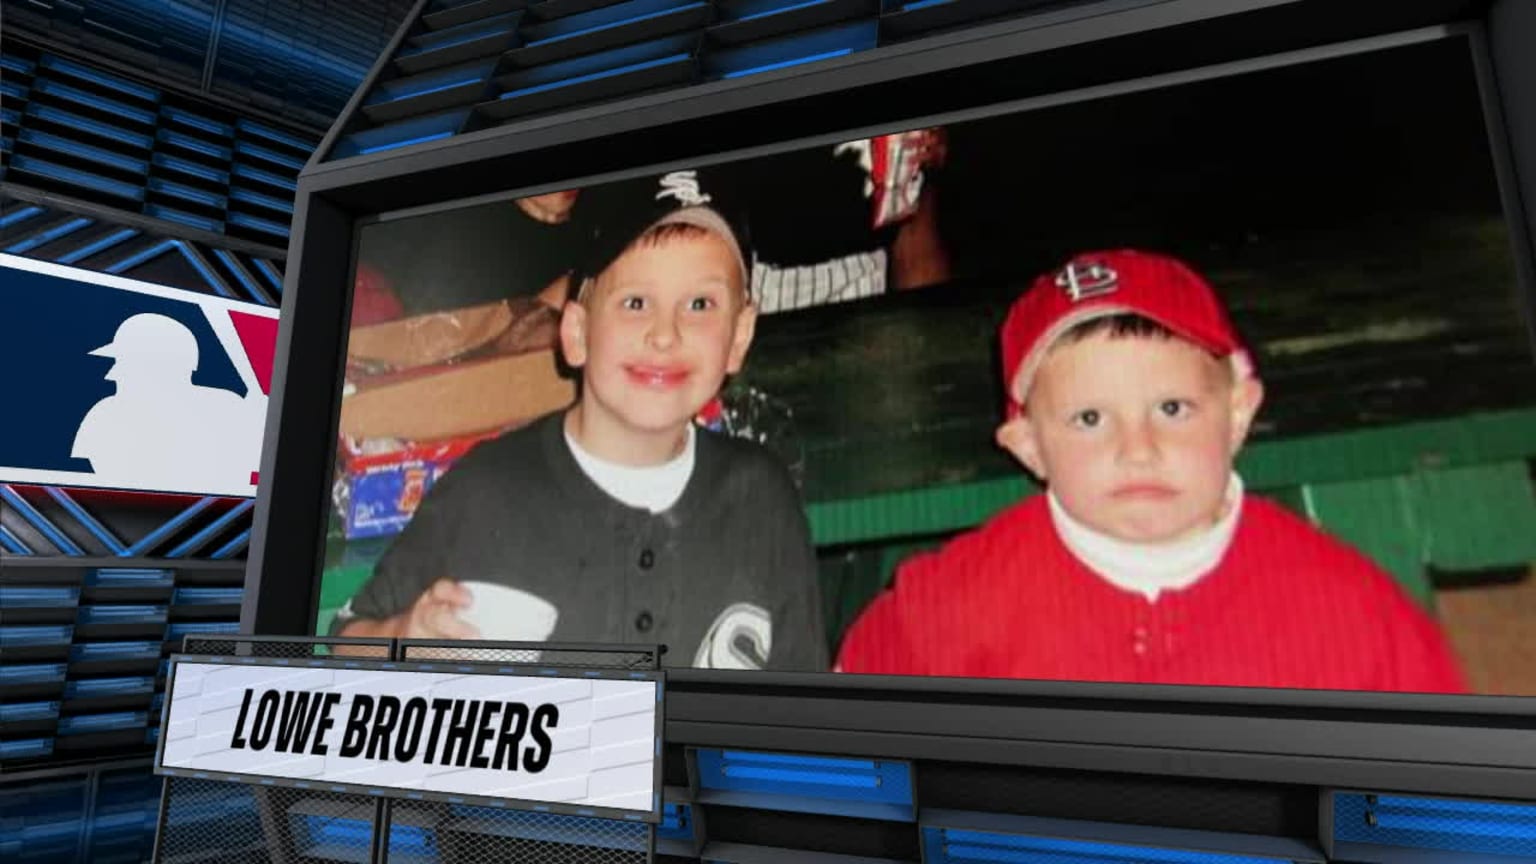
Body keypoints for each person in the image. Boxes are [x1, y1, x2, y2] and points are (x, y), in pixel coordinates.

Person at [834, 249, 1467, 692]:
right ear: (1028, 446)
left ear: (1238, 411)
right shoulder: (944, 607)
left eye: (1172, 408)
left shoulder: (1348, 613)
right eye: (1089, 419)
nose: (1138, 449)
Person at [334, 171, 828, 671]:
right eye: (635, 302)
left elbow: (802, 714)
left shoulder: (762, 497)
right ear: (576, 333)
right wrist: (405, 636)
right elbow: (344, 642)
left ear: (739, 336)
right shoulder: (487, 489)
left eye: (700, 304)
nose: (665, 333)